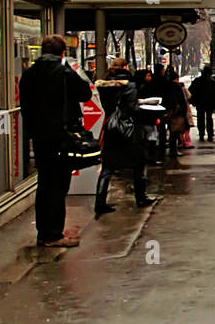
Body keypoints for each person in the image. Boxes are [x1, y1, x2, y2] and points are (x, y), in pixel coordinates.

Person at [19, 35, 92, 247]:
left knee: (45, 184)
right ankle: (53, 234)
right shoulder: (63, 72)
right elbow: (85, 93)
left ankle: (44, 232)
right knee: (59, 185)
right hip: (61, 136)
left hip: (40, 137)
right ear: (62, 53)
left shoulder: (29, 74)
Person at [93, 58, 156, 214]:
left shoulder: (103, 85)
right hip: (129, 130)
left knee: (107, 167)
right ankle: (141, 198)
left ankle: (100, 202)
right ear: (126, 67)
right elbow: (132, 108)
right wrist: (142, 105)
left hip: (110, 128)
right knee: (138, 164)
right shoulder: (130, 85)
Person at [190, 65, 215, 143]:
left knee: (200, 118)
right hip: (209, 104)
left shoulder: (197, 81)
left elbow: (191, 91)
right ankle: (210, 133)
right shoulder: (213, 82)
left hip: (200, 103)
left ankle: (201, 133)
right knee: (209, 118)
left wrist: (193, 102)